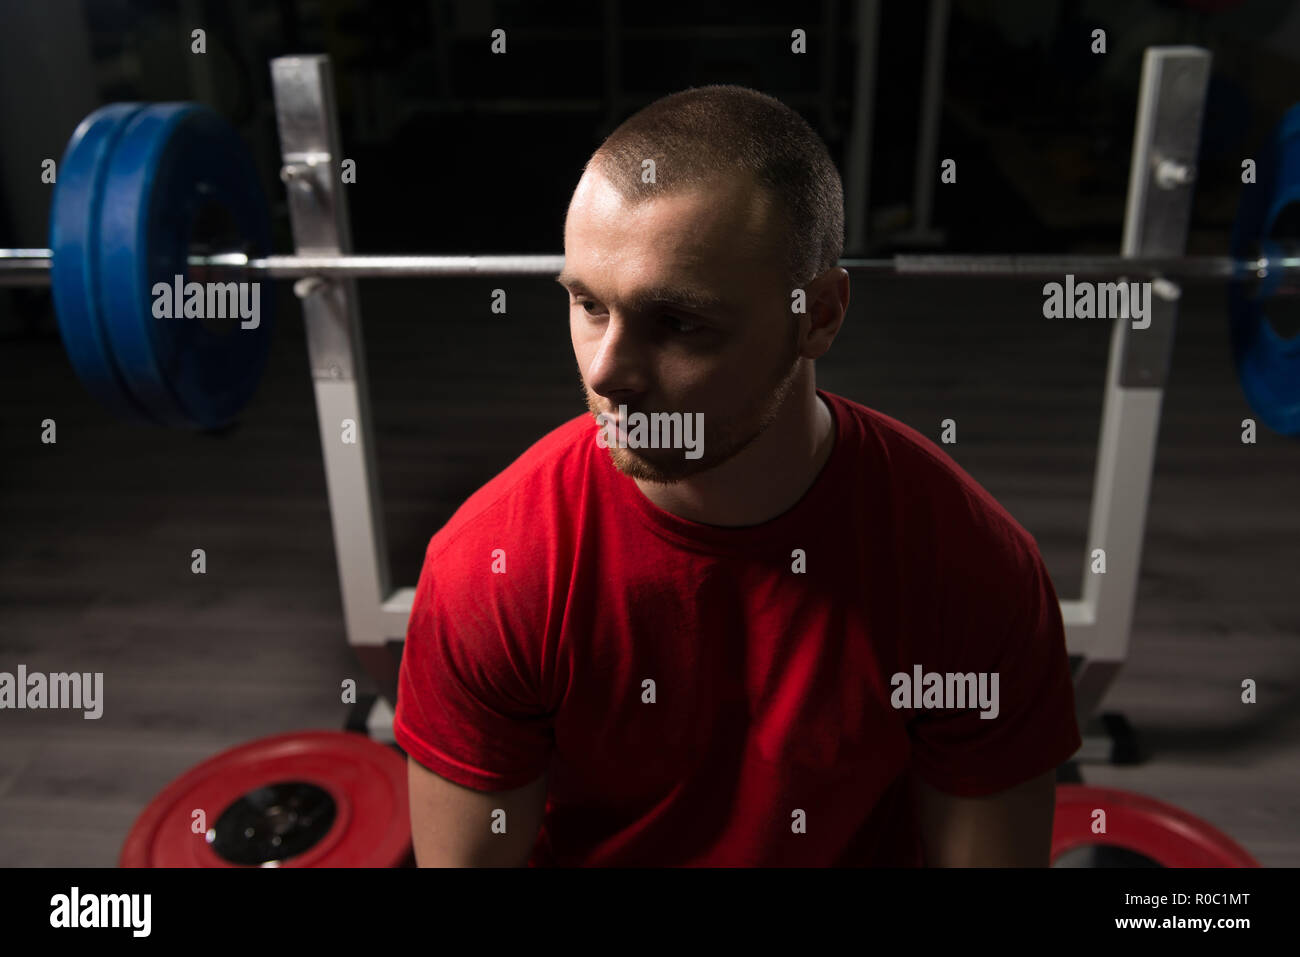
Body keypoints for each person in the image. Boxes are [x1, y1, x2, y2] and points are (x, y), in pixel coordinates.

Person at [395, 84, 1082, 866]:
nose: (608, 370)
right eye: (589, 305)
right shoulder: (493, 569)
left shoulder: (971, 568)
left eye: (678, 322)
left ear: (819, 315)